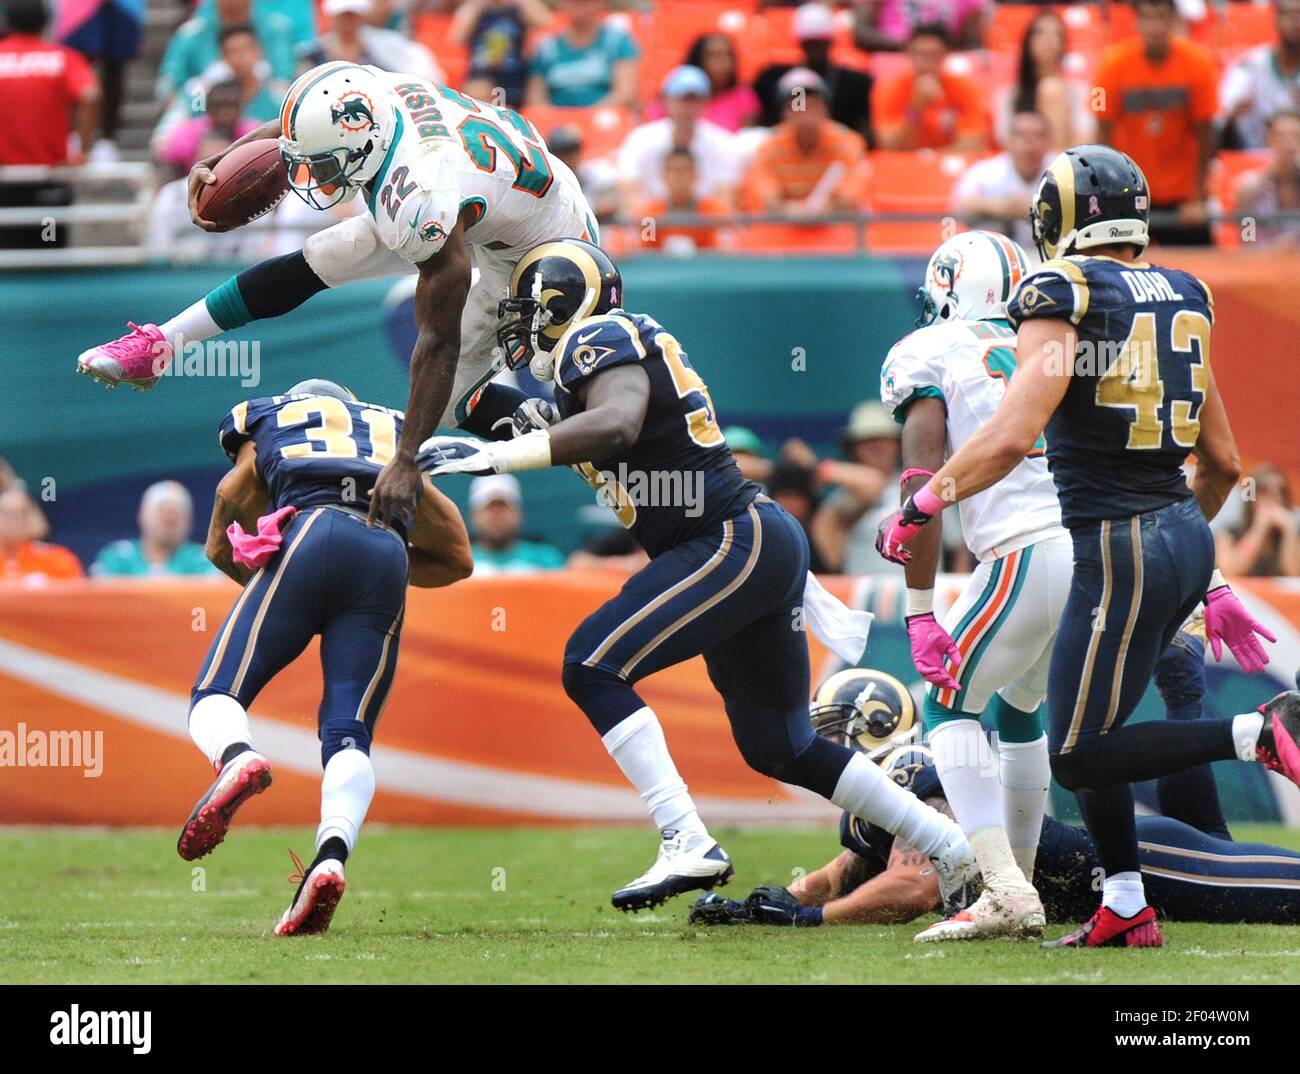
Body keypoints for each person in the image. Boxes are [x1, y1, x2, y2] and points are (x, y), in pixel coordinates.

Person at [417, 239, 976, 914]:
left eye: (527, 307)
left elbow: (617, 425)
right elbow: (480, 404)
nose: (519, 323)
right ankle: (952, 849)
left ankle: (686, 838)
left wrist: (493, 461)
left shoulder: (601, 336)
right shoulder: (577, 384)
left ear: (561, 305)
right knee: (783, 745)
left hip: (728, 538)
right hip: (748, 545)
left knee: (591, 663)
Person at [875, 144, 1297, 949]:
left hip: (1110, 540)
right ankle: (1127, 900)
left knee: (1078, 752)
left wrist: (922, 502)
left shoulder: (1060, 288)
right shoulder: (1187, 289)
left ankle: (1257, 734)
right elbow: (1226, 463)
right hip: (1178, 530)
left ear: (1055, 219)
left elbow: (1012, 434)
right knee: (1074, 717)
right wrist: (1201, 578)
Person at [77, 64, 599, 535]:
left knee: (455, 397)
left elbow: (437, 339)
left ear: (363, 146)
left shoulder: (419, 195)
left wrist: (407, 458)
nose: (312, 175)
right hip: (486, 194)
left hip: (542, 241)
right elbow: (290, 132)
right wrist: (221, 161)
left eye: (325, 165)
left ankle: (569, 429)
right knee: (323, 254)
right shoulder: (356, 94)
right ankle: (161, 343)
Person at [179, 379, 472, 936]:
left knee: (216, 694)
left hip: (310, 532)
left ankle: (237, 756)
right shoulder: (392, 431)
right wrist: (367, 579)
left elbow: (231, 495)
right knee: (347, 733)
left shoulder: (270, 415)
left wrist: (271, 582)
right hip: (387, 551)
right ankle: (331, 857)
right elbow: (458, 555)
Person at [691, 666, 1300, 930]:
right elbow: (842, 872)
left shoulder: (912, 769)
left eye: (830, 731)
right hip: (1131, 869)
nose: (820, 747)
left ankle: (1219, 702)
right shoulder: (875, 803)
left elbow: (917, 884)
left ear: (871, 726)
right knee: (1227, 850)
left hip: (1148, 866)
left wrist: (808, 920)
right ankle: (1185, 684)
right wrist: (760, 906)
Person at [878, 230, 1074, 941]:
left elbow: (920, 486)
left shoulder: (926, 350)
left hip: (1024, 548)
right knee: (1021, 707)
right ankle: (1020, 884)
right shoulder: (1049, 343)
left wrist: (921, 611)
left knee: (945, 704)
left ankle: (1004, 888)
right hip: (1087, 547)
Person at [1094, 0, 1217, 246]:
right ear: (1136, 22)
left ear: (1174, 21)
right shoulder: (1111, 64)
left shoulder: (1199, 63)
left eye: (1161, 17)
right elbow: (1101, 130)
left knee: (1199, 273)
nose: (1155, 26)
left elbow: (1206, 133)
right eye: (1148, 17)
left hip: (1182, 198)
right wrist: (1107, 193)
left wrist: (1198, 196)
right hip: (1129, 193)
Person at [0, 0, 99, 249]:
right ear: (46, 23)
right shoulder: (64, 58)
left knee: (8, 263)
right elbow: (91, 95)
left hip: (5, 183)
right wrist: (82, 152)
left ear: (7, 23)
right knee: (48, 258)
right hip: (51, 179)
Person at [744, 67, 867, 214]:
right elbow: (768, 199)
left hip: (835, 227)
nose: (807, 115)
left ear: (825, 109)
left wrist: (823, 209)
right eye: (799, 106)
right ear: (785, 112)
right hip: (784, 230)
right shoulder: (769, 147)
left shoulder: (847, 143)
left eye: (814, 106)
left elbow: (850, 195)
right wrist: (794, 211)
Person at [617, 65, 741, 210]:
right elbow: (628, 194)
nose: (687, 107)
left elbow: (725, 202)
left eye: (694, 100)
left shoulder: (722, 143)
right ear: (667, 100)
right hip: (651, 225)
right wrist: (650, 224)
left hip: (704, 226)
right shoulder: (640, 140)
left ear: (705, 103)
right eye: (682, 99)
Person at [754, 3, 872, 140]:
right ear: (801, 43)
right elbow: (795, 117)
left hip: (834, 148)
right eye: (810, 44)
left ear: (830, 42)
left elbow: (864, 132)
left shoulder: (854, 82)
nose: (815, 49)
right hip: (792, 147)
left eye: (819, 43)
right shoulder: (779, 78)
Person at [807, 400, 899, 575]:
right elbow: (873, 483)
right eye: (866, 440)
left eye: (883, 438)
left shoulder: (922, 484)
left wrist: (817, 468)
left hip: (923, 597)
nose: (876, 446)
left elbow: (957, 546)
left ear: (897, 442)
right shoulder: (841, 498)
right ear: (853, 447)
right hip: (860, 597)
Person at [871, 22, 986, 152]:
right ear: (908, 53)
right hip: (906, 166)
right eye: (919, 54)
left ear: (945, 55)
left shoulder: (967, 89)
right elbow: (891, 147)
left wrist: (929, 157)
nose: (925, 62)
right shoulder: (888, 89)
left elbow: (972, 145)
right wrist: (916, 107)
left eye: (933, 54)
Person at [157, 0, 298, 106]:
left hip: (265, 106)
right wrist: (198, 99)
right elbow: (169, 82)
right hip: (204, 109)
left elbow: (285, 77)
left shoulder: (278, 27)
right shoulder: (191, 32)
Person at [951, 109, 1050, 251]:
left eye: (1038, 135)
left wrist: (1037, 208)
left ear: (1048, 141)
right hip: (1002, 255)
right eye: (1022, 135)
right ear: (1008, 140)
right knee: (988, 225)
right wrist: (1002, 206)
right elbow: (961, 202)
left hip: (1051, 253)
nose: (1030, 143)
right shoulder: (987, 171)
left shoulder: (1060, 168)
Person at [55, 0, 143, 159]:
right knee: (76, 57)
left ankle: (107, 141)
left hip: (122, 6)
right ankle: (74, 135)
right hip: (80, 7)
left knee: (116, 64)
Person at [998, 9, 1094, 152]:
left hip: (1066, 163)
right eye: (1040, 33)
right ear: (1028, 42)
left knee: (1051, 89)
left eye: (1056, 34)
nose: (1048, 39)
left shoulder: (1081, 92)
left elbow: (1088, 138)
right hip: (1024, 168)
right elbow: (1005, 143)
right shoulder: (1008, 95)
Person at [526, 0, 639, 110]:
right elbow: (535, 98)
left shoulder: (617, 41)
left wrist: (586, 118)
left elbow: (625, 92)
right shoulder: (547, 47)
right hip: (555, 124)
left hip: (604, 122)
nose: (580, 3)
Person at [1218, 0, 1300, 151]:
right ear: (1276, 19)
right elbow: (1221, 115)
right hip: (1253, 153)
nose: (1296, 22)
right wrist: (1234, 112)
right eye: (1290, 15)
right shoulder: (1251, 65)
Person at [91, 480, 217, 578]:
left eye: (176, 514)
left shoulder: (203, 559)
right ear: (142, 515)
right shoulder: (116, 556)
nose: (169, 520)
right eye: (161, 512)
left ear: (190, 520)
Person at [300, 0, 441, 83]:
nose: (348, 21)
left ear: (361, 17)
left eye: (353, 16)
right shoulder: (313, 53)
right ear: (332, 17)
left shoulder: (383, 48)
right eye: (344, 16)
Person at [451, 0, 551, 108]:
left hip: (515, 75)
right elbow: (457, 38)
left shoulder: (518, 7)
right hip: (481, 74)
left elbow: (547, 23)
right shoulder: (474, 7)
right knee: (477, 92)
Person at [155, 79, 258, 178]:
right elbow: (168, 167)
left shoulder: (253, 134)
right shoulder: (187, 133)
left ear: (242, 107)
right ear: (208, 107)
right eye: (219, 106)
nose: (226, 112)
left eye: (232, 106)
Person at [467, 474, 564, 573]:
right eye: (489, 508)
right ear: (474, 515)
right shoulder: (459, 563)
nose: (497, 515)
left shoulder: (545, 559)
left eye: (503, 507)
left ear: (518, 513)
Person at [1216, 462, 1300, 576]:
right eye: (1264, 492)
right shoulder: (1228, 533)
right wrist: (1259, 528)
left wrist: (1289, 531)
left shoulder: (1294, 535)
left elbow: (1294, 576)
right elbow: (1230, 572)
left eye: (1280, 492)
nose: (1273, 499)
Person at [1234, 109, 1300, 249]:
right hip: (1265, 265)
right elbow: (1247, 241)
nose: (1289, 144)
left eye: (1296, 136)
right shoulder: (1248, 189)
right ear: (1268, 138)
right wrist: (1275, 249)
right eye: (1281, 136)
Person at [677, 33, 759, 132]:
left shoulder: (744, 97)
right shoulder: (678, 95)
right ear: (698, 59)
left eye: (728, 56)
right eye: (714, 56)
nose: (724, 63)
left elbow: (746, 141)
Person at [0, 486, 82, 584]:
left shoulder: (57, 559)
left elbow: (77, 596)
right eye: (6, 513)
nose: (13, 521)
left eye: (22, 513)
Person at [852, 0, 985, 54]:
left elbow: (973, 45)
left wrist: (936, 53)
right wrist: (917, 48)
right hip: (892, 56)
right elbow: (862, 33)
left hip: (945, 61)